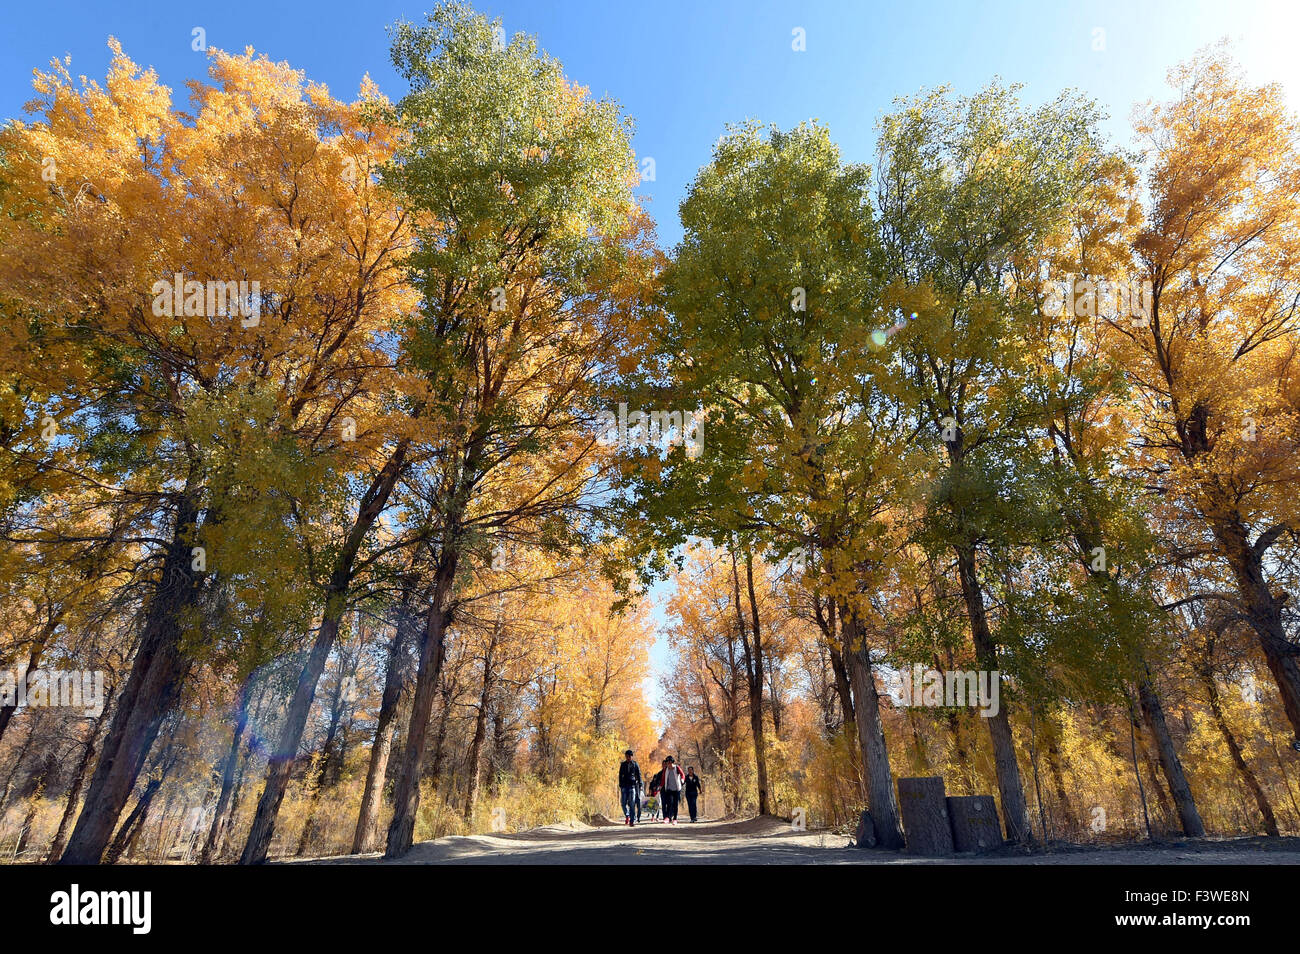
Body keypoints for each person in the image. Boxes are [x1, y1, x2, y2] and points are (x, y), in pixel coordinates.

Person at [654, 756, 686, 824]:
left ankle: (675, 819)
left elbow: (682, 774)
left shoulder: (676, 768)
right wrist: (660, 786)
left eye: (670, 762)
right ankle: (667, 818)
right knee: (669, 803)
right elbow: (663, 779)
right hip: (669, 789)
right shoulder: (666, 769)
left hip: (677, 789)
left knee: (675, 804)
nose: (669, 764)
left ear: (672, 762)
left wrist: (682, 779)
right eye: (668, 762)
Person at [618, 749, 641, 826]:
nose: (628, 757)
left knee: (632, 804)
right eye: (627, 756)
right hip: (624, 786)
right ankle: (627, 815)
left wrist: (640, 784)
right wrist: (620, 784)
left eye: (629, 756)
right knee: (623, 803)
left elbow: (639, 775)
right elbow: (620, 775)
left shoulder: (635, 764)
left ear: (632, 756)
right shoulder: (623, 764)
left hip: (632, 786)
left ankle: (632, 820)